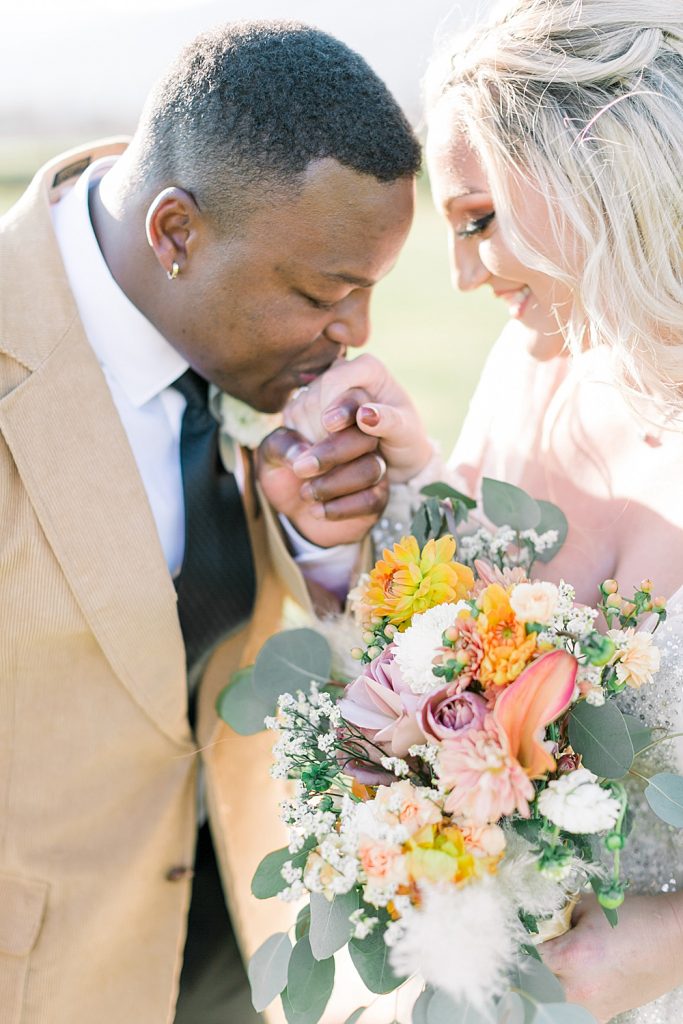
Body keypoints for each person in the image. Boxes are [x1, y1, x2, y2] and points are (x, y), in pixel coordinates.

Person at [0, 20, 420, 1024]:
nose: (355, 333)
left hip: (236, 967)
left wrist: (319, 539)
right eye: (327, 291)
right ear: (175, 233)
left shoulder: (256, 354)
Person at [282, 1, 683, 1020]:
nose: (462, 276)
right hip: (484, 969)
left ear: (592, 177)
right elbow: (456, 613)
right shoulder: (536, 356)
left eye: (477, 220)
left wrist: (663, 948)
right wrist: (404, 479)